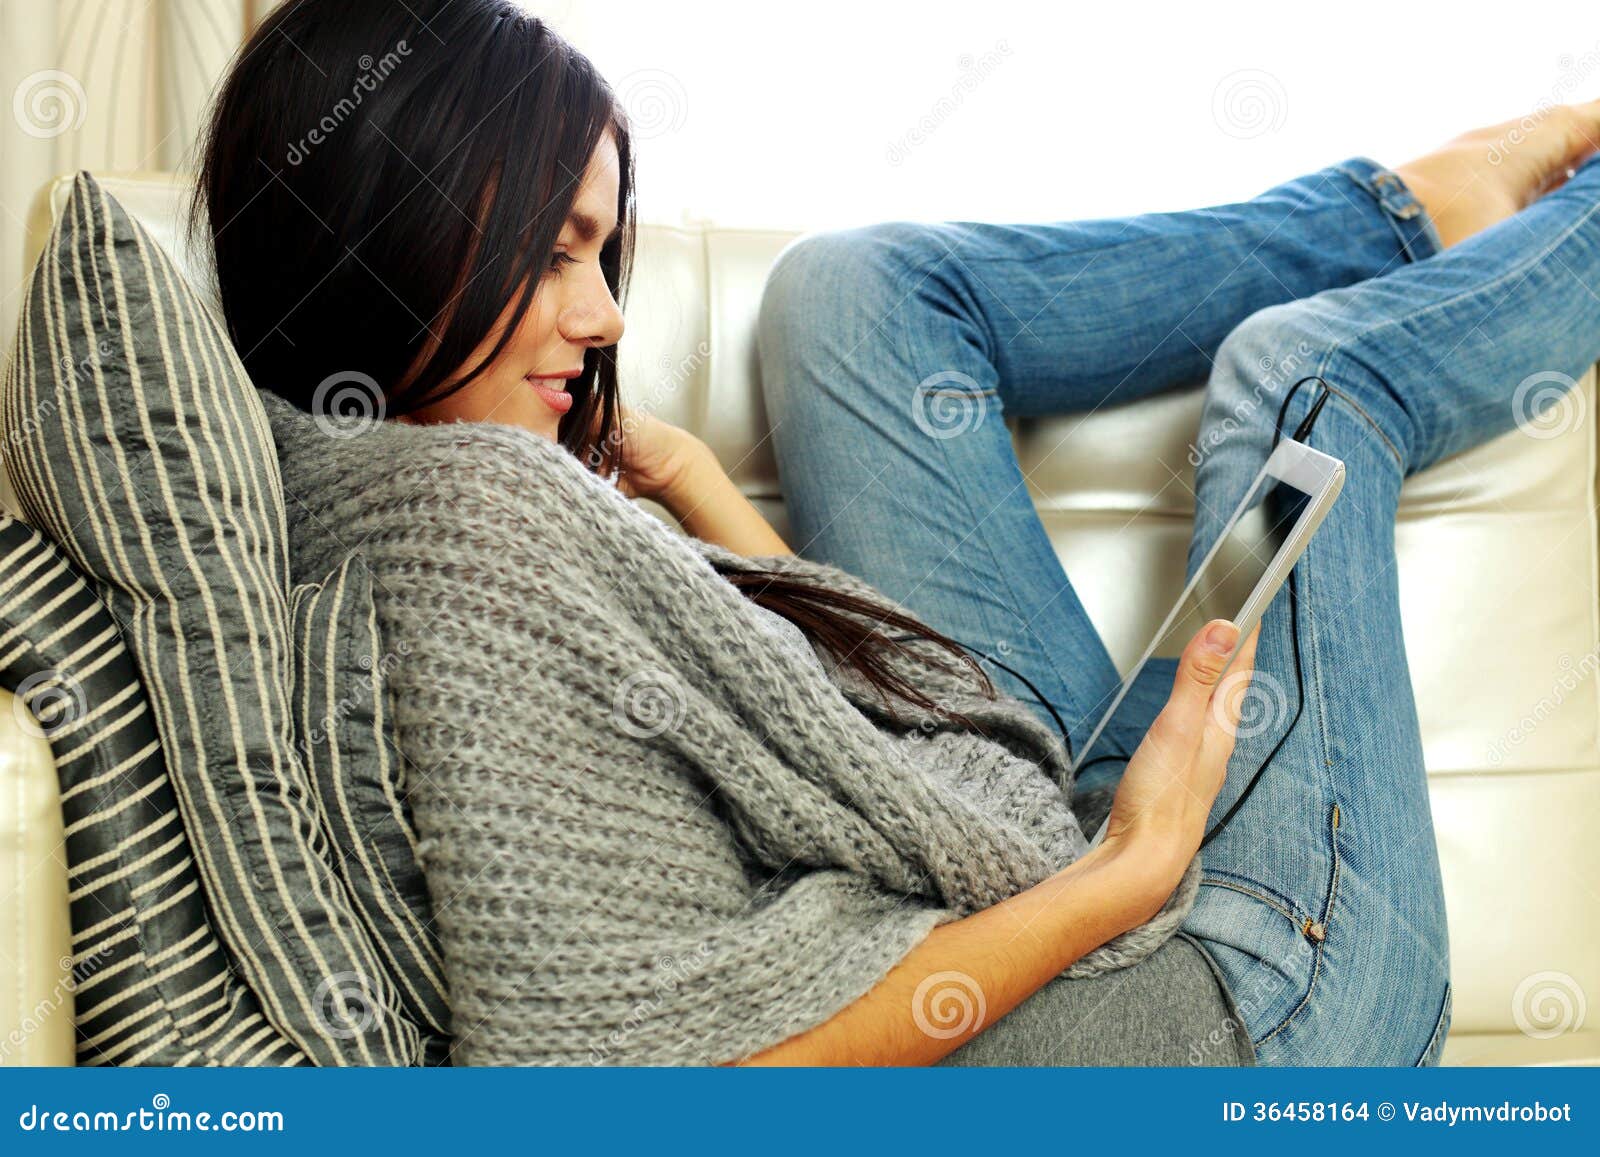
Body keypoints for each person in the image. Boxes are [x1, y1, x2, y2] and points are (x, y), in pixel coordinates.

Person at [195, 0, 1600, 1065]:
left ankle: (1405, 212)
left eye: (601, 250)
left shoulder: (345, 463)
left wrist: (693, 485)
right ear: (388, 218)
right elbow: (639, 1092)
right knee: (1305, 388)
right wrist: (1133, 867)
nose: (608, 315)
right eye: (554, 252)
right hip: (1238, 1005)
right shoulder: (479, 529)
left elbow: (817, 711)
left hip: (1022, 833)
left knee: (854, 294)